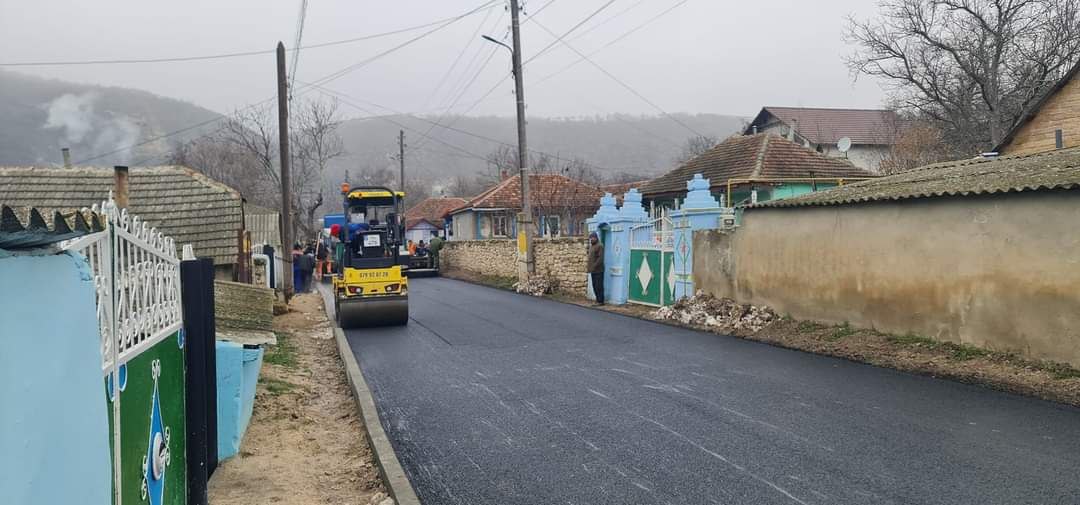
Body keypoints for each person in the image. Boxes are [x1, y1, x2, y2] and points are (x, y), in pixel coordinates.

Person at [587, 232, 604, 305]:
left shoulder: (600, 246)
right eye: (591, 238)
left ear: (596, 238)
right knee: (594, 285)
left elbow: (600, 258)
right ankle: (597, 299)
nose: (591, 239)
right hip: (592, 270)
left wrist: (594, 265)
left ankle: (600, 301)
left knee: (599, 286)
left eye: (593, 238)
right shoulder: (591, 246)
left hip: (599, 270)